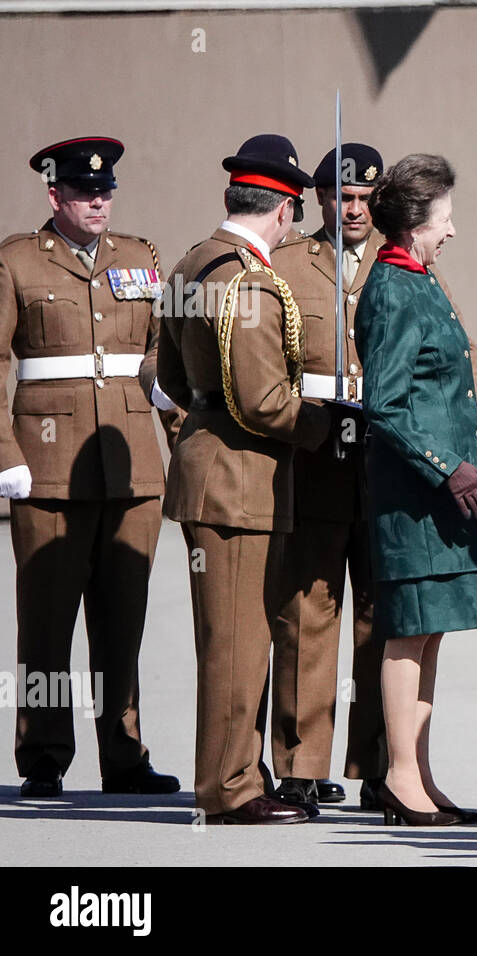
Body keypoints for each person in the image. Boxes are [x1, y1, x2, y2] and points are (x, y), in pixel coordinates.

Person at [156, 133, 335, 824]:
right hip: (238, 482)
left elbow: (170, 379)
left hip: (210, 467)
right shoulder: (248, 280)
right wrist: (326, 425)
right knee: (236, 643)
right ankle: (229, 790)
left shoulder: (191, 263)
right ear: (285, 210)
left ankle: (239, 770)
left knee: (231, 638)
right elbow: (263, 402)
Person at [354, 152, 477, 826]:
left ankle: (419, 775)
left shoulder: (420, 278)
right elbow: (388, 404)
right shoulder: (394, 288)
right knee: (408, 636)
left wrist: (476, 450)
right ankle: (401, 776)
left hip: (443, 496)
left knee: (430, 636)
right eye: (445, 218)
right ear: (414, 222)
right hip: (415, 498)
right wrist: (444, 464)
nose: (452, 230)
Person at [0, 136, 178, 798]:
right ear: (55, 195)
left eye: (105, 190)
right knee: (47, 622)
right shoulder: (16, 261)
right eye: (83, 191)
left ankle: (125, 754)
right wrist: (4, 453)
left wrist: (182, 442)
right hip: (45, 469)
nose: (98, 199)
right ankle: (43, 755)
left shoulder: (139, 257)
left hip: (131, 467)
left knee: (122, 621)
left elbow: (162, 359)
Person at [265, 142, 385, 812]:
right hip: (313, 459)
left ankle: (378, 763)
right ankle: (301, 766)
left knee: (381, 617)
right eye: (344, 198)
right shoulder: (284, 264)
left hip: (383, 462)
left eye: (368, 198)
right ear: (320, 199)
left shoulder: (404, 262)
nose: (357, 209)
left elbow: (459, 343)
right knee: (308, 613)